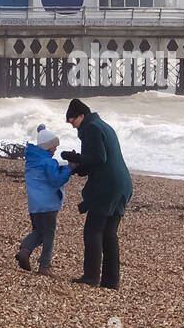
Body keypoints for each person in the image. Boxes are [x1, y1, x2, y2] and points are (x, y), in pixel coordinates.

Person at [60, 99, 133, 289]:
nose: (72, 125)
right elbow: (98, 161)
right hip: (122, 183)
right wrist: (79, 166)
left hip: (107, 186)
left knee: (93, 230)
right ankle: (111, 281)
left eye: (72, 121)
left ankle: (91, 276)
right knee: (109, 233)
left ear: (81, 116)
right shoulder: (103, 126)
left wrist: (75, 158)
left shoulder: (91, 128)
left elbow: (99, 158)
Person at [15, 123, 72, 276]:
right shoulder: (48, 162)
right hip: (49, 205)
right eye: (54, 146)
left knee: (39, 232)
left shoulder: (32, 161)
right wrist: (69, 169)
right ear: (47, 147)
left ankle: (25, 251)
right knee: (48, 234)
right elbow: (56, 181)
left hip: (35, 205)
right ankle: (44, 265)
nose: (55, 150)